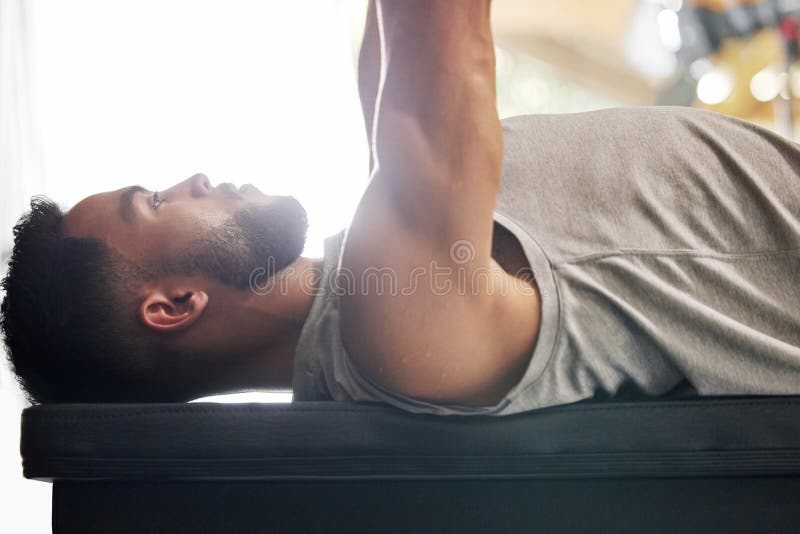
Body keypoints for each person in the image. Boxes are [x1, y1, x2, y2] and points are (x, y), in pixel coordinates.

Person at [2, 1, 800, 415]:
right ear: (175, 305)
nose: (195, 178)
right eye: (156, 201)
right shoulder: (395, 318)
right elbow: (437, 32)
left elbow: (393, 59)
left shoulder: (379, 273)